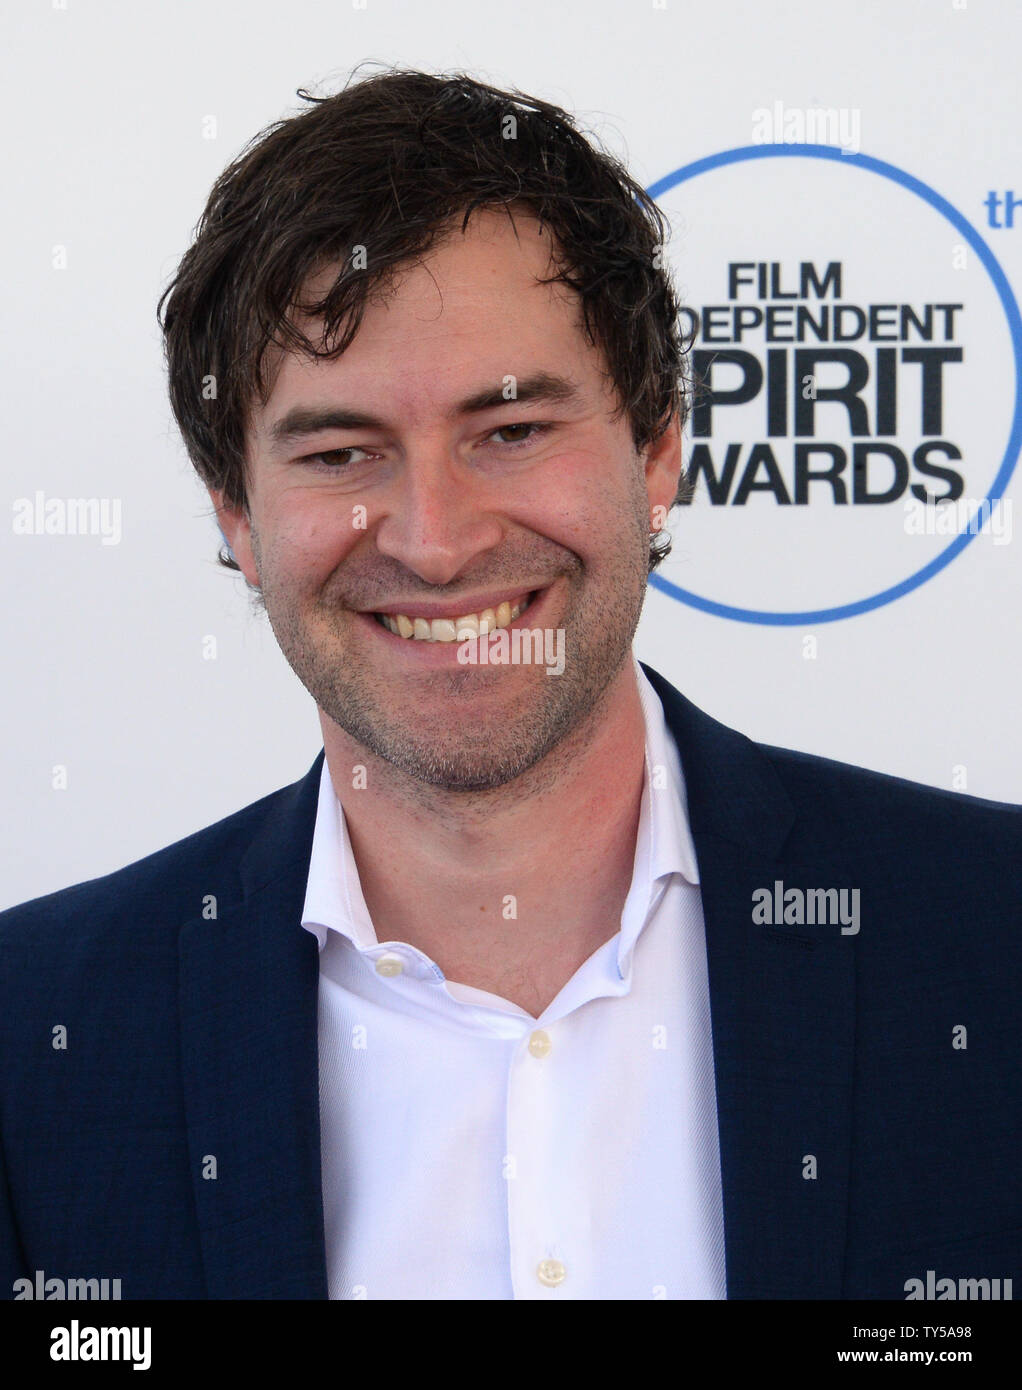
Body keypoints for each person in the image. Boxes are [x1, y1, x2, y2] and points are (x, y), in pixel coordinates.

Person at [2, 67, 1019, 1302]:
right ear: (239, 519)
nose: (434, 541)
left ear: (655, 451)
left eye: (511, 431)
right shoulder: (37, 1037)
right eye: (339, 452)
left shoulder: (988, 936)